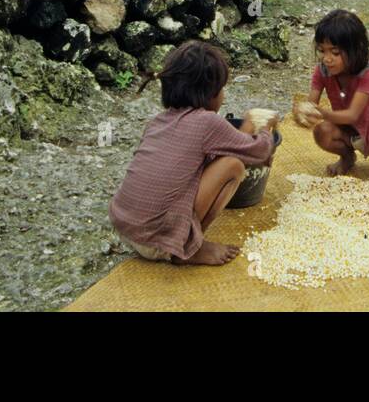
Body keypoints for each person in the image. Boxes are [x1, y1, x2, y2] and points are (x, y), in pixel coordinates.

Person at [109, 41, 277, 266]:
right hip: (157, 242)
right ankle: (188, 248)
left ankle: (177, 239)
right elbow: (259, 151)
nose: (223, 95)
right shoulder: (207, 122)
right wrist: (265, 127)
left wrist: (245, 132)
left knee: (219, 159)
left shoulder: (158, 121)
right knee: (233, 166)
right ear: (210, 95)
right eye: (221, 89)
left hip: (126, 227)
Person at [305, 10, 369, 184]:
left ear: (356, 51)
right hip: (344, 126)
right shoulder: (322, 70)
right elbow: (311, 103)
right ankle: (347, 157)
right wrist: (305, 112)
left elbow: (353, 115)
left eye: (335, 53)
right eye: (322, 51)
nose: (327, 59)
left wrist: (320, 113)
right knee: (321, 132)